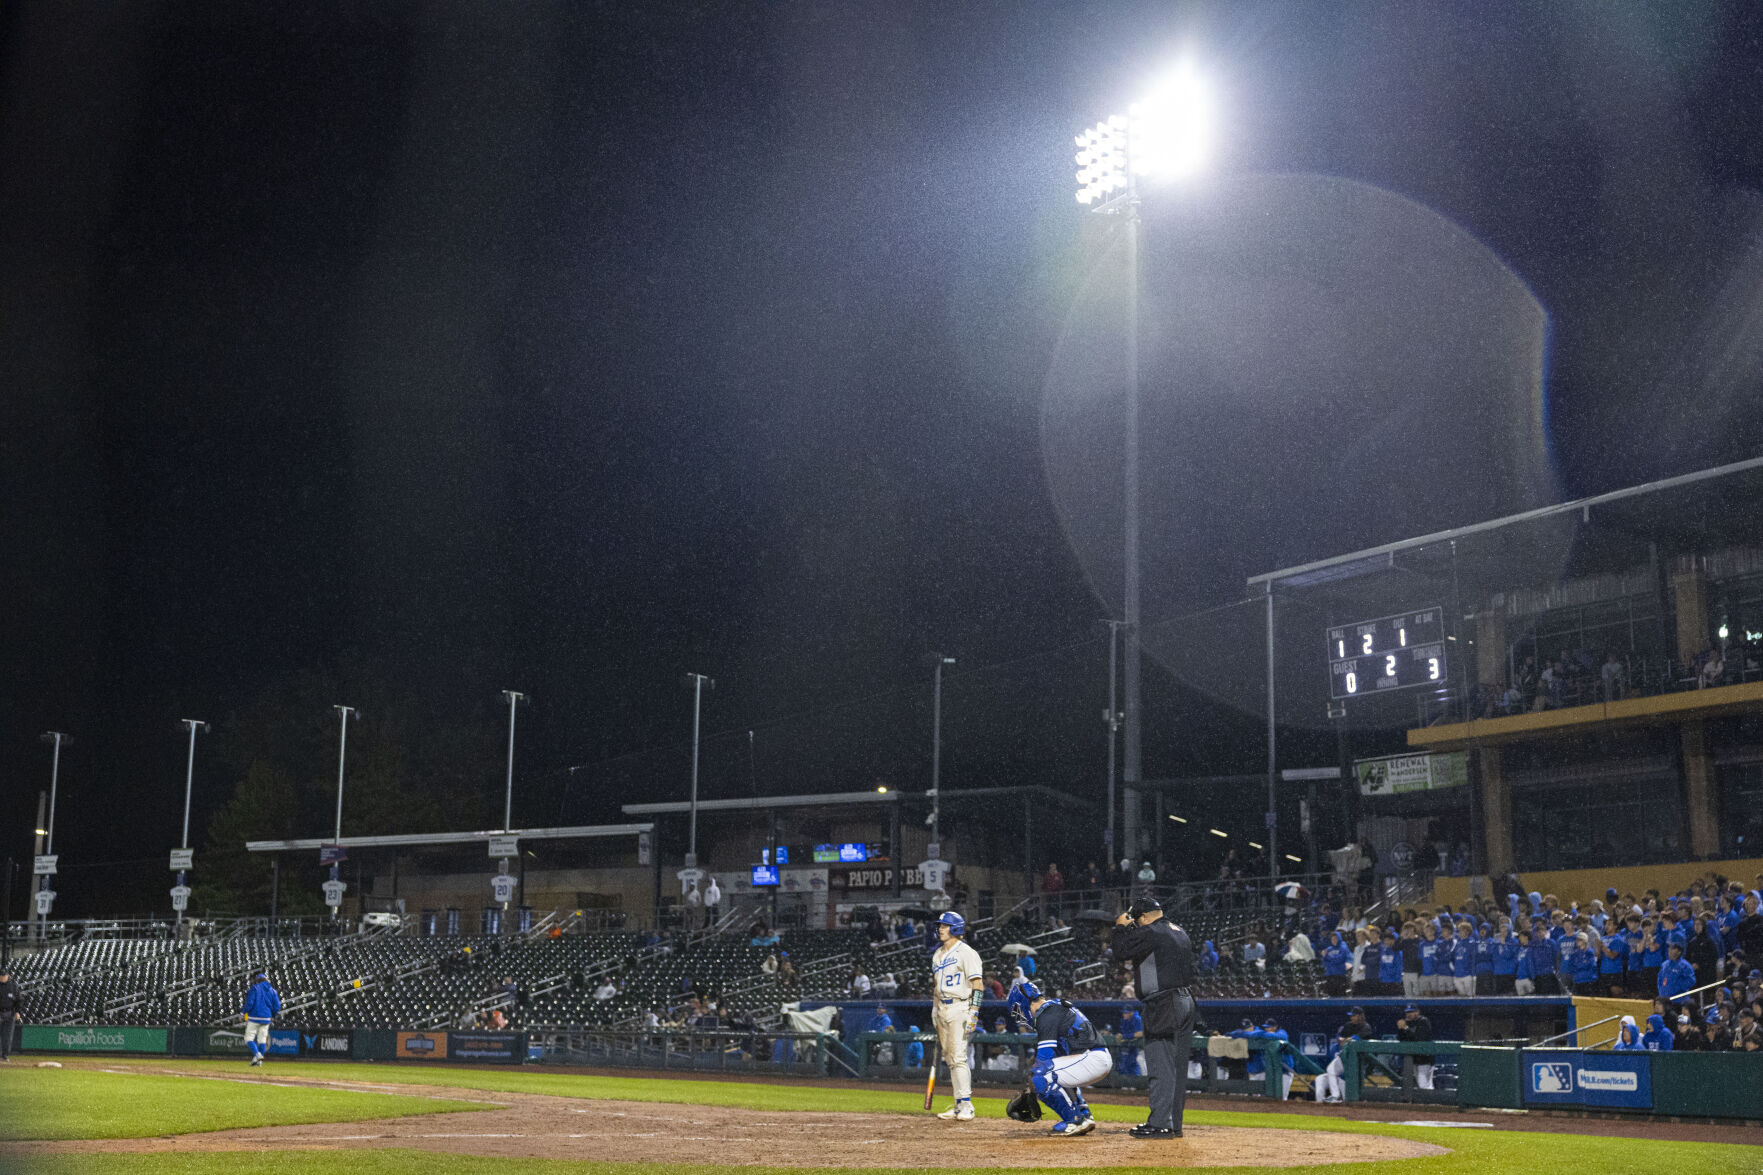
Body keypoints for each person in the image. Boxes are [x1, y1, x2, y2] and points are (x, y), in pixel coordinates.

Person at [1110, 895, 1195, 1139]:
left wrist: (1120, 927)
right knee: (1176, 1069)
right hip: (1186, 1000)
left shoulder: (1152, 931)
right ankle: (1172, 1124)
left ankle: (1160, 1123)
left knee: (1160, 1065)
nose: (1136, 925)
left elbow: (1120, 951)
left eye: (1137, 921)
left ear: (1145, 917)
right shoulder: (1179, 930)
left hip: (1164, 1004)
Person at [1007, 978, 1111, 1136]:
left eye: (1018, 1009)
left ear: (1024, 1002)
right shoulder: (1053, 1008)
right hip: (1093, 1058)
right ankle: (1083, 1115)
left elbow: (1043, 1061)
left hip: (1093, 1058)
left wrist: (1033, 1087)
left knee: (1040, 1075)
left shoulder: (1046, 1014)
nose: (1020, 1014)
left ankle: (1074, 1120)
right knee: (1054, 1074)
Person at [929, 910, 985, 1121]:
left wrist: (974, 1011)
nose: (941, 929)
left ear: (956, 928)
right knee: (950, 1059)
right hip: (942, 1007)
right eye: (940, 926)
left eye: (945, 926)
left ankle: (966, 1105)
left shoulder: (967, 953)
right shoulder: (938, 954)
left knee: (959, 1057)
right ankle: (957, 1104)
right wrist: (934, 1008)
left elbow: (978, 985)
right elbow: (936, 986)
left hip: (960, 1007)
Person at [241, 968, 282, 1067]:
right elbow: (277, 1006)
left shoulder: (255, 988)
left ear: (257, 981)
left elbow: (250, 1003)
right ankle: (259, 1061)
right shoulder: (272, 990)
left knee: (248, 1038)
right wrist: (272, 1014)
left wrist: (243, 1012)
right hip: (266, 1018)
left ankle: (257, 1054)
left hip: (255, 1017)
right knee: (262, 1040)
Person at [1395, 1005, 1435, 1090]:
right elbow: (1401, 1039)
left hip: (1425, 1059)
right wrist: (1400, 1029)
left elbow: (1418, 1038)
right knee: (1420, 1085)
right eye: (1407, 1012)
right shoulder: (1407, 1022)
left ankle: (1431, 1102)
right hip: (1414, 1058)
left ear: (1417, 1012)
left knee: (1424, 1085)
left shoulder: (1423, 1021)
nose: (1409, 1014)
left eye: (1411, 1012)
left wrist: (1405, 1028)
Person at [0, 967, 20, 1062]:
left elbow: (19, 1000)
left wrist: (17, 1011)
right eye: (1, 976)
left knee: (7, 1036)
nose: (2, 977)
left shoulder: (13, 986)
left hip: (9, 1013)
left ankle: (4, 1055)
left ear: (8, 975)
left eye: (4, 976)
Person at [1118, 1005, 1144, 1077]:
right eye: (1123, 1013)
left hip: (1139, 1046)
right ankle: (1127, 1082)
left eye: (1126, 1013)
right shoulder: (1124, 1020)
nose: (1124, 1014)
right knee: (1125, 1062)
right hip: (1129, 1045)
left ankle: (1136, 1082)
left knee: (1136, 1062)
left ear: (1131, 1013)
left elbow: (1140, 1033)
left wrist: (1124, 1036)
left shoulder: (1137, 1019)